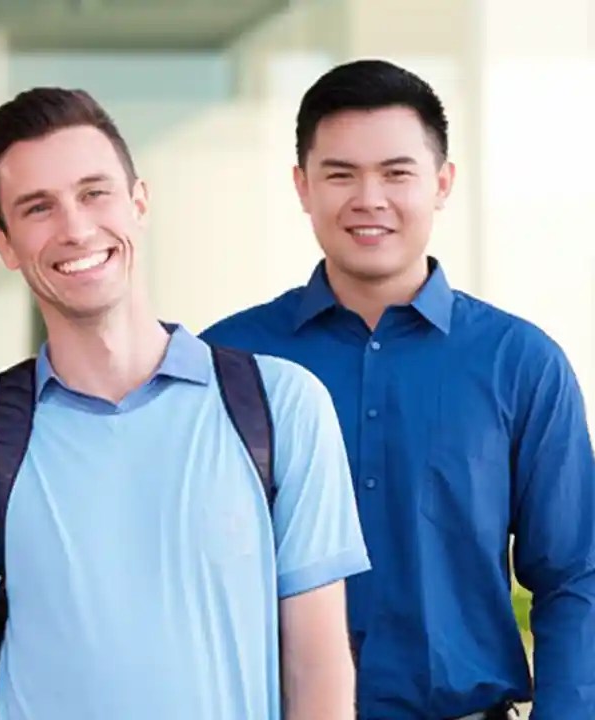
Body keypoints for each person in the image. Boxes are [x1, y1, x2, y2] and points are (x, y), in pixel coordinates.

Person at [0, 87, 371, 720]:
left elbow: (317, 669)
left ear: (139, 202)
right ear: (5, 243)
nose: (75, 228)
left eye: (94, 193)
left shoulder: (280, 405)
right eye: (38, 208)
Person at [201, 59, 595, 720]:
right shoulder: (228, 360)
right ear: (302, 186)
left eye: (396, 172)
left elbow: (575, 574)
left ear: (442, 184)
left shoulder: (519, 362)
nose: (369, 198)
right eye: (340, 174)